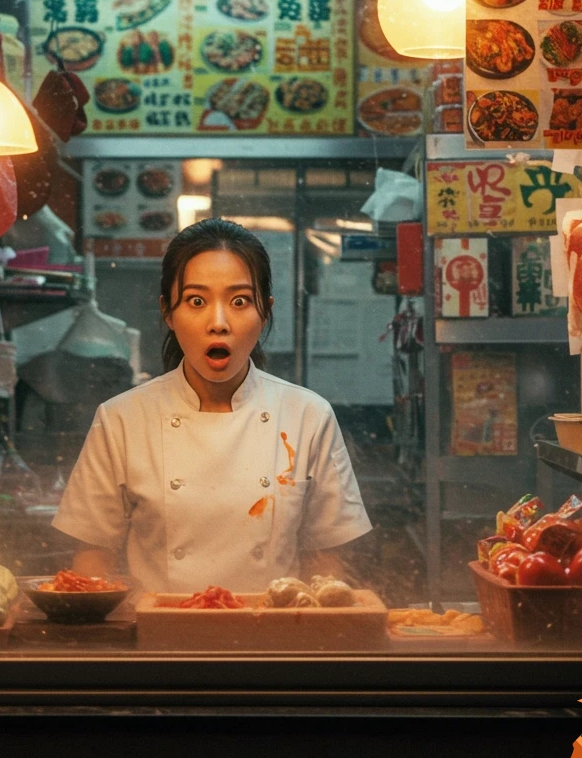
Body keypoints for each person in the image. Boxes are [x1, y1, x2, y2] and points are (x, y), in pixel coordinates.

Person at [51, 218, 372, 593]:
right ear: (168, 312)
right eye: (196, 301)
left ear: (265, 310)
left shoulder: (308, 417)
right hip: (160, 641)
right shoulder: (122, 419)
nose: (218, 323)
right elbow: (93, 558)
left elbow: (327, 562)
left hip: (272, 640)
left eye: (239, 301)